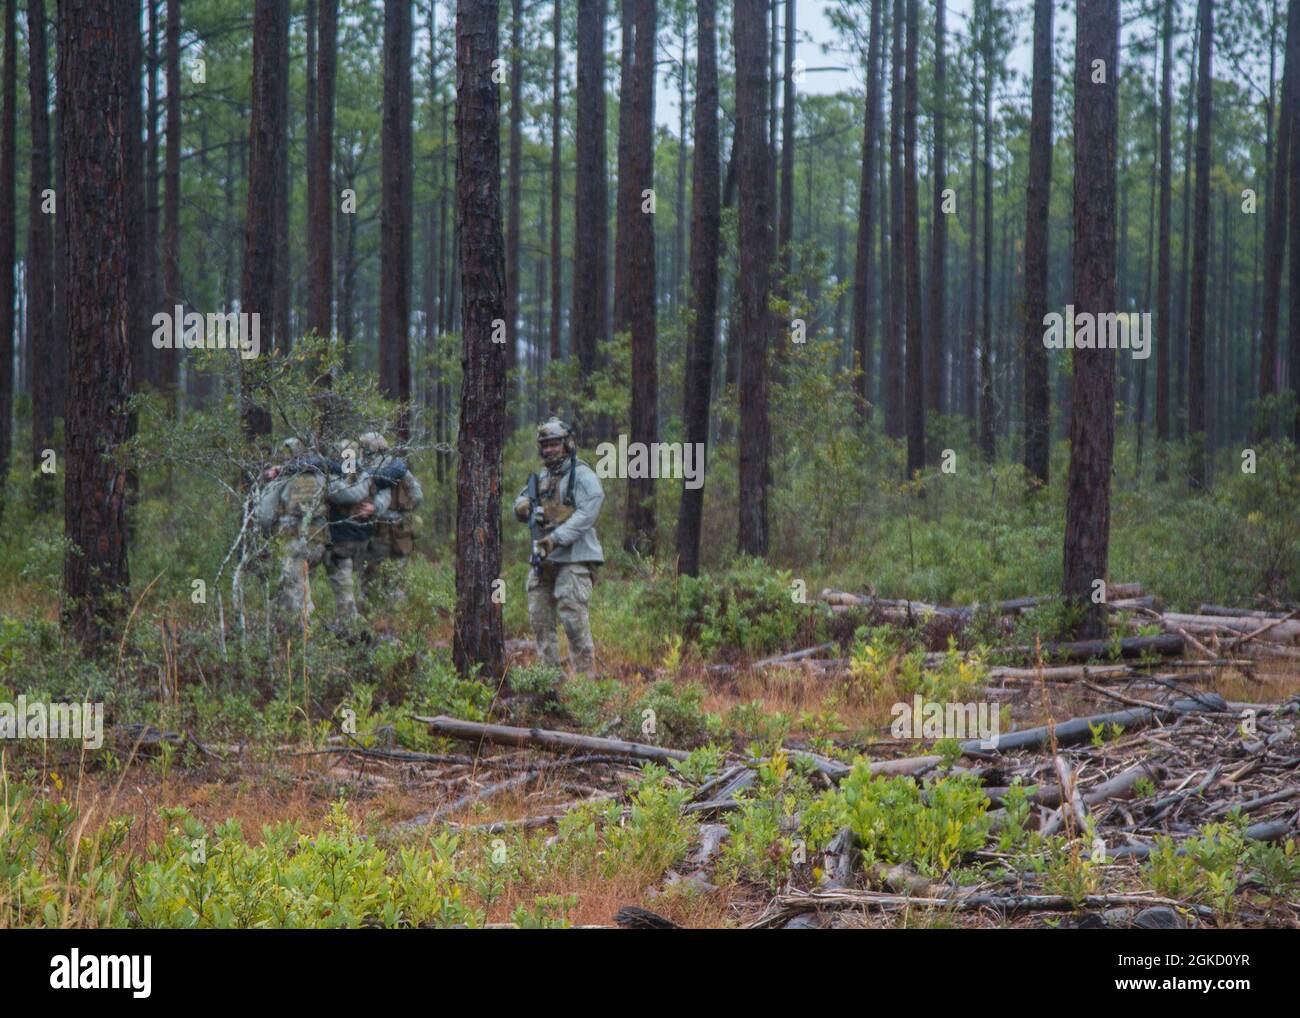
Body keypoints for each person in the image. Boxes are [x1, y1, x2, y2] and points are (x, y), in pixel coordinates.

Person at [512, 417, 604, 674]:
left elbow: (589, 511)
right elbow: (519, 502)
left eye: (554, 444)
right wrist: (524, 507)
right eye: (546, 445)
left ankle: (586, 689)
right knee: (539, 619)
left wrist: (556, 538)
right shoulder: (543, 478)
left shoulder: (582, 475)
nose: (550, 449)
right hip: (543, 558)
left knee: (573, 621)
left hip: (574, 557)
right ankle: (548, 684)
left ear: (566, 444)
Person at [256, 437, 372, 622]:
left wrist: (268, 536)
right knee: (329, 585)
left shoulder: (279, 481)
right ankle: (349, 626)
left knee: (296, 593)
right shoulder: (322, 477)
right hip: (318, 543)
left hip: (292, 545)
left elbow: (264, 516)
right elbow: (353, 494)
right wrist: (364, 474)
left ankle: (303, 634)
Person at [357, 431, 423, 601]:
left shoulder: (369, 467)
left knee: (370, 573)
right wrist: (403, 511)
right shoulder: (400, 468)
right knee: (396, 573)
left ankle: (372, 610)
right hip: (402, 528)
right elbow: (417, 496)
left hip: (378, 526)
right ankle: (396, 614)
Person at [324, 438, 380, 623]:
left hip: (346, 541)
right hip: (359, 538)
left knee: (349, 593)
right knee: (358, 589)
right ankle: (364, 623)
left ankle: (355, 630)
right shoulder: (368, 475)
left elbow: (346, 493)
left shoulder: (344, 477)